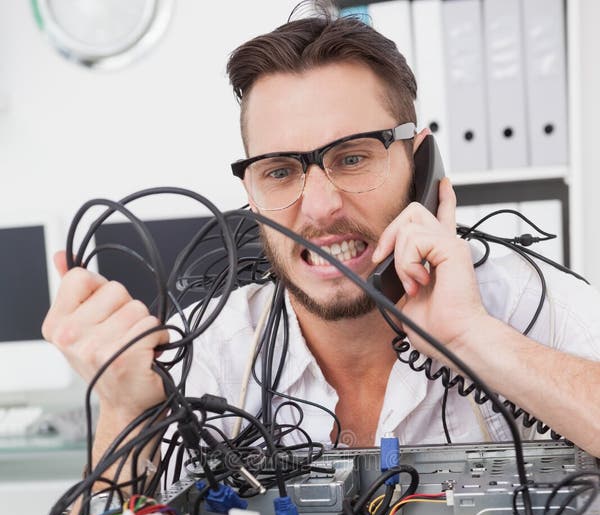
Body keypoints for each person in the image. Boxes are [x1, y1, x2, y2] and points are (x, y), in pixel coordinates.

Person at [42, 7, 600, 489]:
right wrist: (124, 409)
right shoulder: (207, 350)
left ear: (423, 166)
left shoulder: (531, 305)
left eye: (353, 157)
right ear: (252, 195)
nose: (319, 207)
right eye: (280, 171)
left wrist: (472, 337)